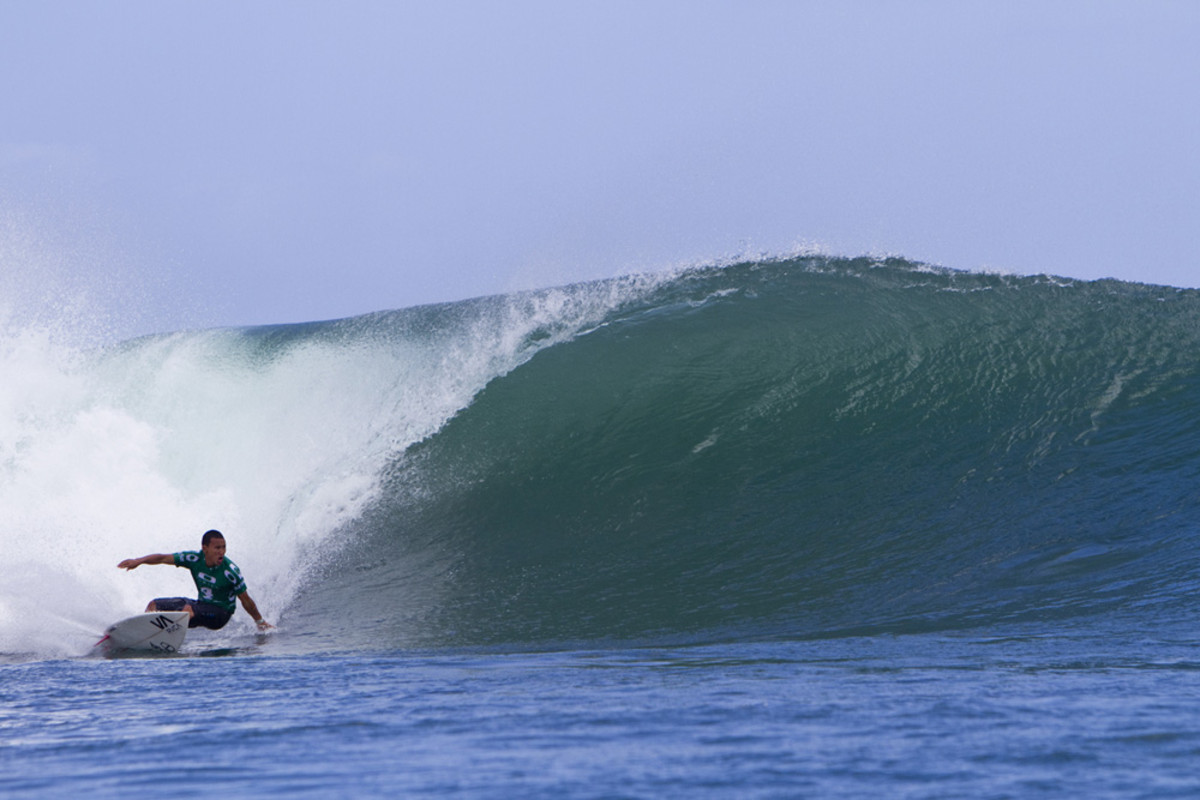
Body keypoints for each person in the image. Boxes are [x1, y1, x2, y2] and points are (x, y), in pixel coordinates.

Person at [118, 529, 273, 631]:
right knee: (154, 605)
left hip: (220, 614)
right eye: (217, 548)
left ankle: (166, 634)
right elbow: (163, 558)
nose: (221, 552)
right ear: (205, 548)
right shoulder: (194, 559)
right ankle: (144, 635)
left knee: (188, 609)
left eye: (223, 547)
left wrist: (259, 622)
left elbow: (246, 600)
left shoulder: (230, 571)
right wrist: (138, 561)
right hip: (200, 605)